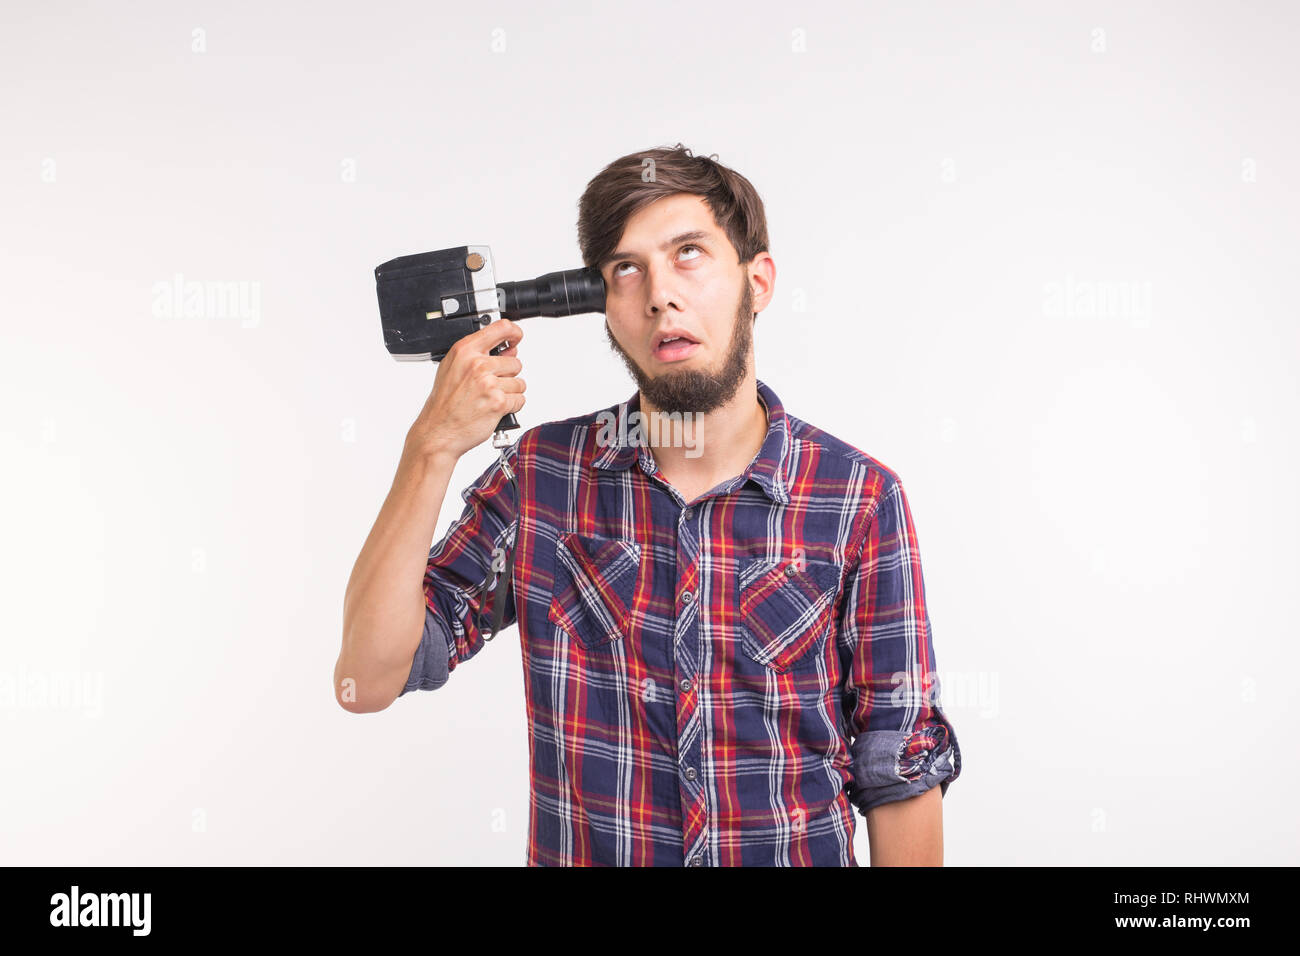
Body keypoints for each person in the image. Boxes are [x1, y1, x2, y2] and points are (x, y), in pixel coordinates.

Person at [335, 144, 962, 866]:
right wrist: (432, 448)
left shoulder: (858, 498)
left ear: (757, 282)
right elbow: (368, 679)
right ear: (606, 305)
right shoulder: (543, 481)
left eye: (689, 253)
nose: (660, 293)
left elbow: (898, 767)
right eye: (627, 269)